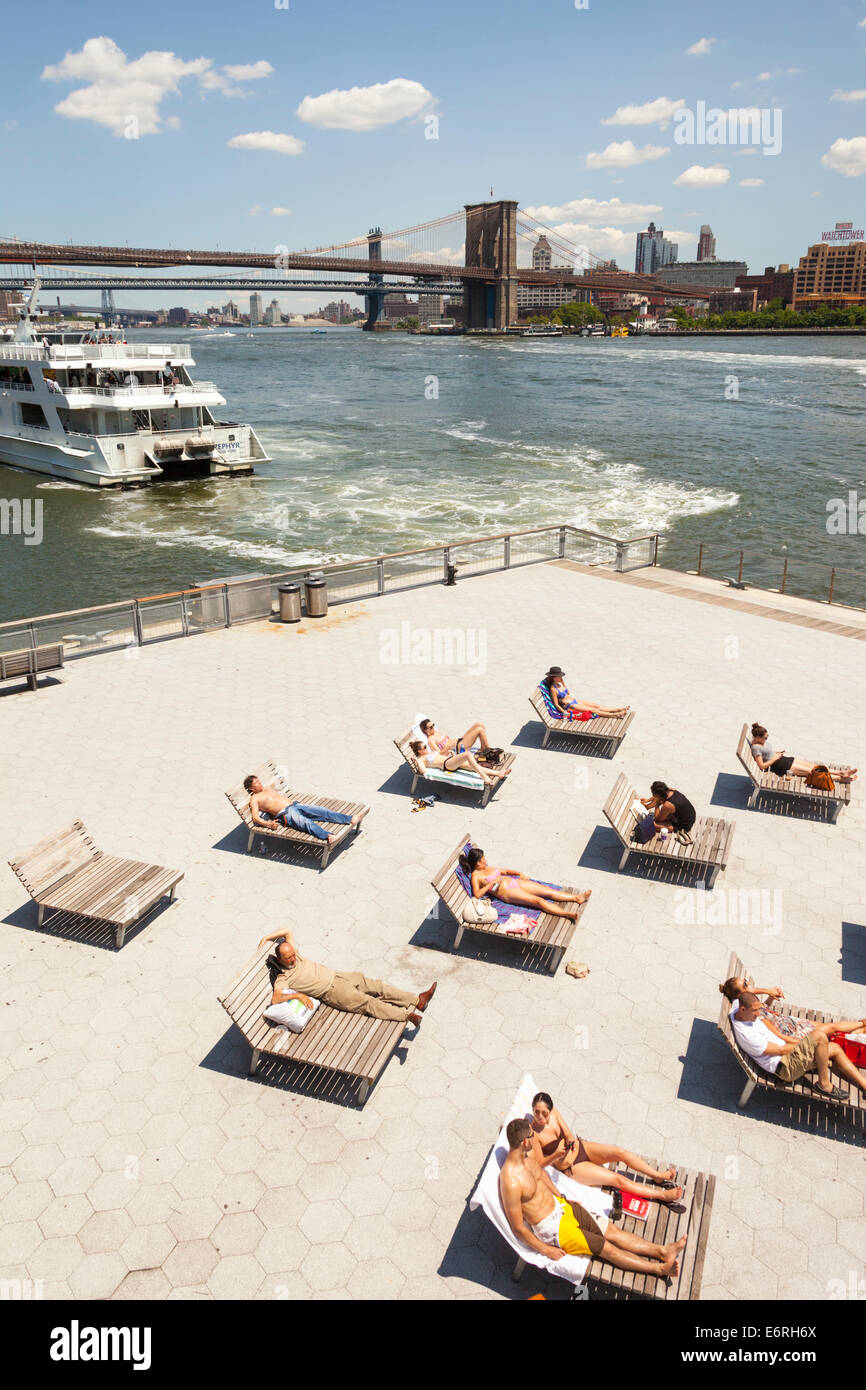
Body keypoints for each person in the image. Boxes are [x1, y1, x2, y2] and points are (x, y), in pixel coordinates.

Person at [499, 1118, 686, 1278]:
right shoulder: (510, 1182)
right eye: (531, 1136)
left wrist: (562, 1197)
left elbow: (542, 1175)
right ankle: (661, 1268)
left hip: (562, 1206)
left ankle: (663, 1251)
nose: (534, 1139)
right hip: (553, 1228)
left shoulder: (528, 1157)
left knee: (611, 1231)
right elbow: (517, 1228)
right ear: (524, 1142)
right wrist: (545, 1249)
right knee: (606, 1248)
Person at [257, 928, 436, 1025]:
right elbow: (275, 998)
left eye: (293, 954)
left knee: (377, 986)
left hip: (339, 976)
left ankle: (417, 999)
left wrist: (267, 937)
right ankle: (406, 1016)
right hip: (332, 992)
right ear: (280, 959)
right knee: (368, 1002)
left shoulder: (295, 955)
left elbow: (287, 931)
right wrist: (298, 995)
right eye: (288, 958)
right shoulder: (283, 977)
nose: (293, 958)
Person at [529, 1091, 683, 1204]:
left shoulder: (555, 1113)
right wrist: (556, 1154)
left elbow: (568, 1133)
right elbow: (540, 1163)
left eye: (544, 1113)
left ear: (550, 1110)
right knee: (618, 1180)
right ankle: (662, 1196)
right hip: (572, 1167)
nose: (540, 1117)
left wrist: (569, 1138)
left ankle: (657, 1176)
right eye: (536, 1112)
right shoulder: (534, 1134)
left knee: (620, 1152)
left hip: (580, 1147)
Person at [731, 991, 866, 1099]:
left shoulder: (738, 1006)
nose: (758, 1014)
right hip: (785, 1066)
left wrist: (767, 991)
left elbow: (742, 991)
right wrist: (805, 1044)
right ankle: (824, 1085)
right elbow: (780, 1050)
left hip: (788, 1052)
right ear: (743, 1009)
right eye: (755, 1011)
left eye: (758, 1009)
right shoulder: (747, 1035)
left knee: (834, 1048)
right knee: (819, 1036)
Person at [460, 845, 590, 920]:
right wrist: (490, 883)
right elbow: (476, 895)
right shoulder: (475, 876)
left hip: (514, 882)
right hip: (508, 893)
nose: (486, 859)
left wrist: (517, 873)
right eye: (483, 858)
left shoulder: (487, 867)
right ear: (478, 862)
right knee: (538, 901)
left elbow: (504, 871)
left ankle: (577, 898)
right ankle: (568, 915)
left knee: (547, 890)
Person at [244, 774, 367, 846]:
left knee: (322, 811)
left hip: (296, 805)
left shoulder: (267, 788)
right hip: (286, 814)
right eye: (256, 783)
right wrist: (269, 824)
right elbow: (255, 817)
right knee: (306, 823)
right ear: (250, 788)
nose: (260, 783)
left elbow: (280, 781)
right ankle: (328, 836)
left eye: (259, 781)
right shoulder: (254, 799)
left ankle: (350, 819)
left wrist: (281, 778)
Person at [749, 723, 857, 784]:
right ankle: (841, 778)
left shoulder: (760, 742)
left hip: (783, 759)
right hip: (780, 766)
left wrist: (777, 753)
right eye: (765, 737)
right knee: (812, 772)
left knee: (814, 766)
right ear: (758, 738)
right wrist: (774, 758)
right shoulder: (755, 748)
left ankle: (840, 773)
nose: (767, 739)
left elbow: (768, 754)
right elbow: (761, 765)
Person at [719, 976, 812, 1039]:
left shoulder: (748, 1003)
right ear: (740, 995)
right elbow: (777, 1034)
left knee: (825, 1029)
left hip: (787, 1022)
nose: (748, 983)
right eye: (745, 984)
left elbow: (763, 1007)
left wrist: (770, 995)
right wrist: (768, 991)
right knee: (825, 1032)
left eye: (745, 980)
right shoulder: (750, 1011)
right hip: (790, 1031)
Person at [540, 667, 628, 721]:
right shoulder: (553, 689)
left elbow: (568, 692)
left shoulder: (559, 684)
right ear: (554, 677)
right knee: (593, 710)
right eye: (559, 676)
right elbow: (556, 704)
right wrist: (564, 713)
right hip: (569, 705)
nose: (561, 677)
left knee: (597, 706)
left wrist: (563, 683)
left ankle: (618, 709)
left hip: (574, 700)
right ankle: (615, 715)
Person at [409, 739, 500, 788]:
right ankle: (484, 777)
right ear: (419, 751)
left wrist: (449, 753)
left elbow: (439, 756)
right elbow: (423, 771)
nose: (426, 747)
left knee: (473, 766)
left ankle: (499, 773)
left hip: (450, 760)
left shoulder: (430, 753)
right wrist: (416, 760)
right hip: (447, 765)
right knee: (467, 754)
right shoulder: (422, 759)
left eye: (426, 746)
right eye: (424, 747)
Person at [418, 717, 493, 757]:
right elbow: (440, 754)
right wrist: (448, 747)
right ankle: (488, 751)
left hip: (459, 741)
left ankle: (484, 749)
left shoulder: (436, 732)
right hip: (458, 748)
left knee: (479, 724)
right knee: (479, 730)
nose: (433, 728)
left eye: (433, 725)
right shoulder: (431, 740)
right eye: (430, 727)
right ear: (425, 730)